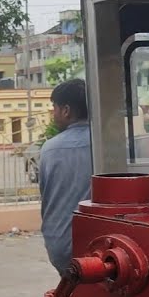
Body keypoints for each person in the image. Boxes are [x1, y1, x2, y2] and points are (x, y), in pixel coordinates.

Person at [38, 78, 93, 276]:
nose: (53, 114)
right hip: (105, 246)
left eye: (55, 108)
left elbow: (46, 195)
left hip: (60, 247)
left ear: (66, 110)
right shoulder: (106, 143)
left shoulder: (50, 149)